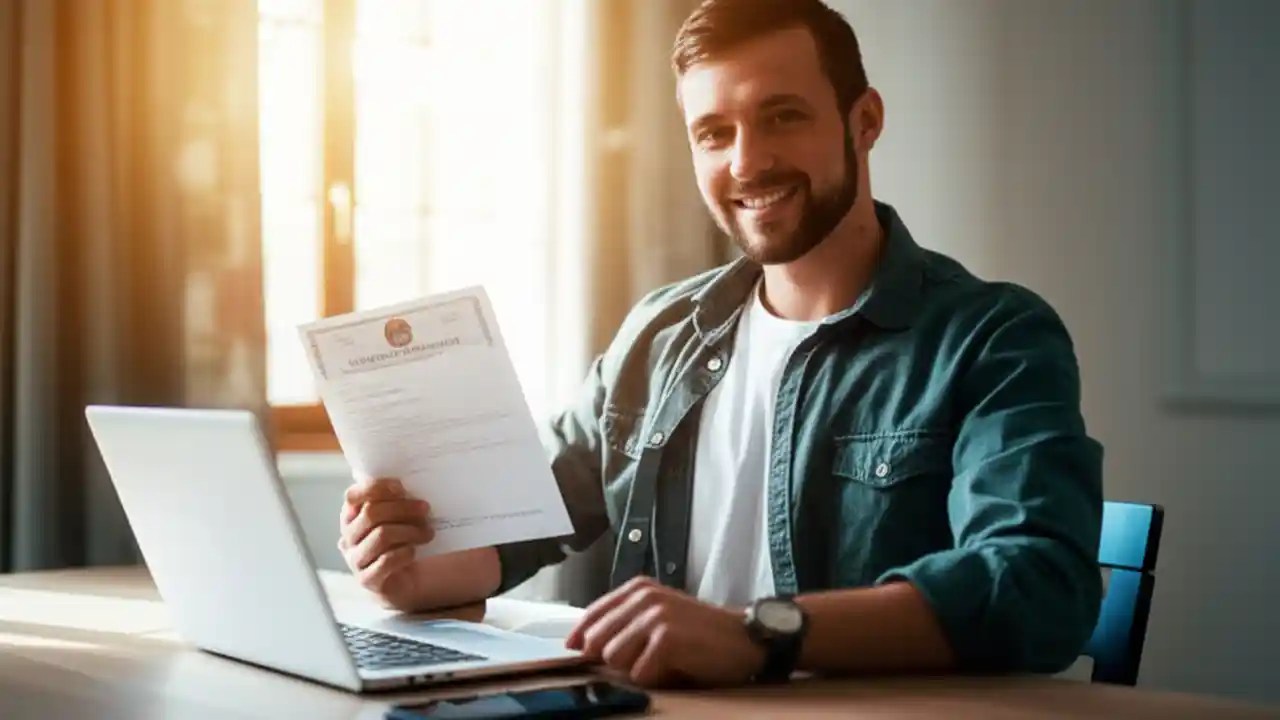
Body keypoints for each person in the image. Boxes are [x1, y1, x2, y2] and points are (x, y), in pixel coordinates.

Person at [336, 0, 1103, 689]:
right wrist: (410, 568)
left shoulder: (993, 337)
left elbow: (1040, 588)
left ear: (863, 120)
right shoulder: (659, 335)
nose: (746, 162)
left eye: (783, 117)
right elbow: (519, 528)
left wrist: (756, 634)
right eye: (714, 133)